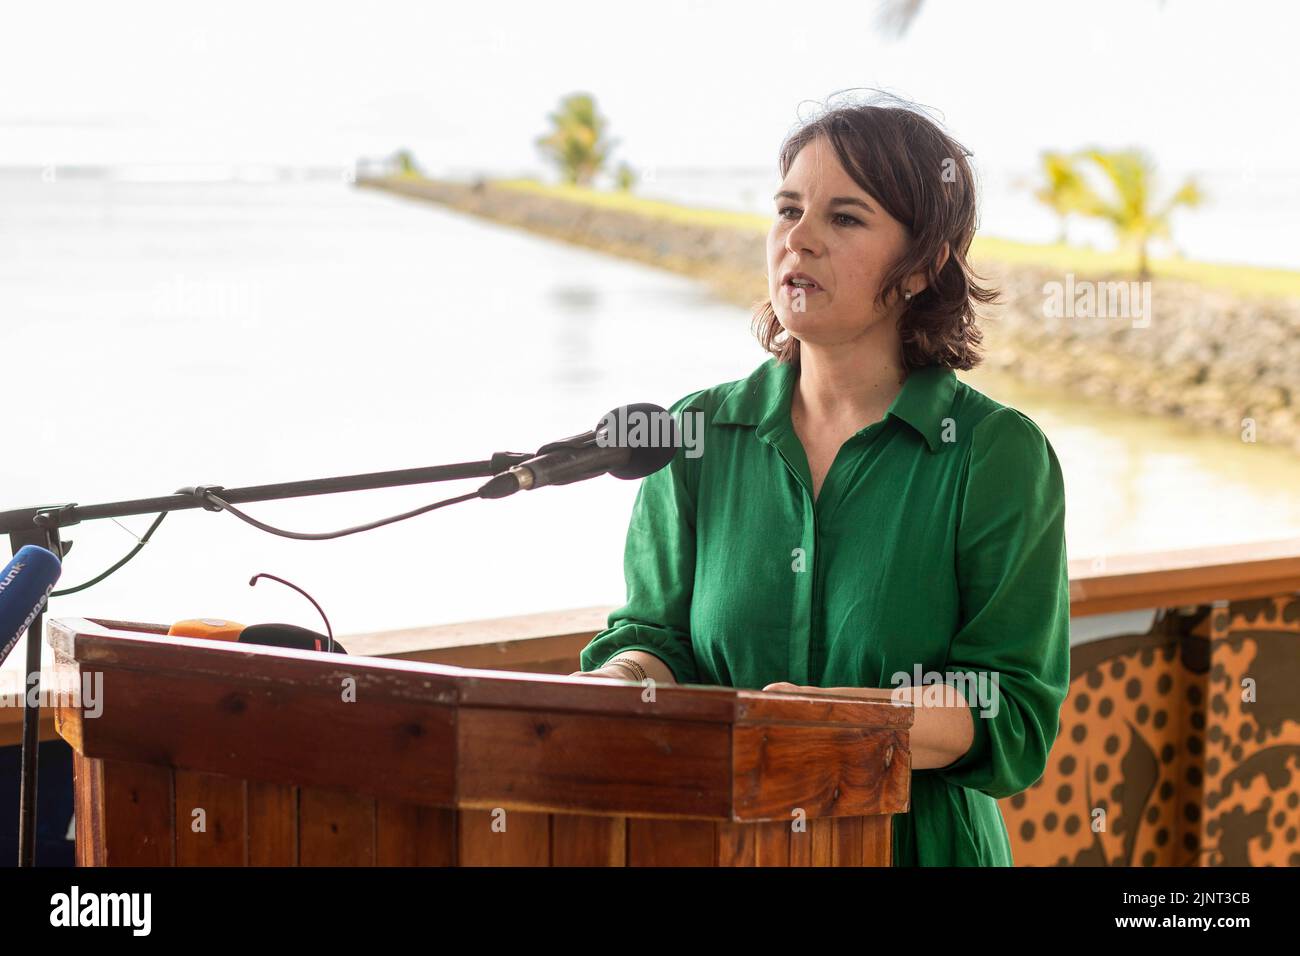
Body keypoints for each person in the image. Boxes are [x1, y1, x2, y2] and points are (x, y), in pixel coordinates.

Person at [571, 94, 1070, 867]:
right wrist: (617, 682)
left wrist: (839, 721)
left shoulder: (995, 455)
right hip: (719, 845)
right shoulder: (695, 435)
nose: (797, 239)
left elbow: (1010, 711)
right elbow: (656, 638)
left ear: (923, 267)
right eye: (787, 209)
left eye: (845, 217)